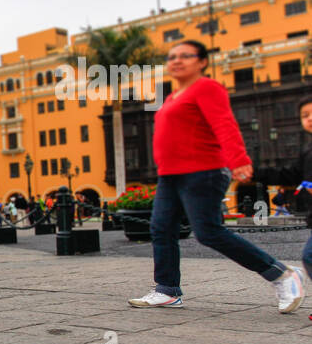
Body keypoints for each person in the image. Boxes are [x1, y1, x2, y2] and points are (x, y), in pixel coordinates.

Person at [129, 40, 304, 313]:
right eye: (172, 56)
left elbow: (224, 124)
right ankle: (166, 289)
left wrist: (239, 161)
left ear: (202, 62)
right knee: (161, 229)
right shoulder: (173, 96)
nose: (176, 60)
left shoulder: (207, 88)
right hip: (170, 175)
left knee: (208, 233)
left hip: (203, 171)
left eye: (185, 56)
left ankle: (281, 273)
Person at [252, 96, 312, 290]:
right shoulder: (308, 151)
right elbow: (289, 175)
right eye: (305, 115)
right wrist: (256, 174)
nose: (309, 118)